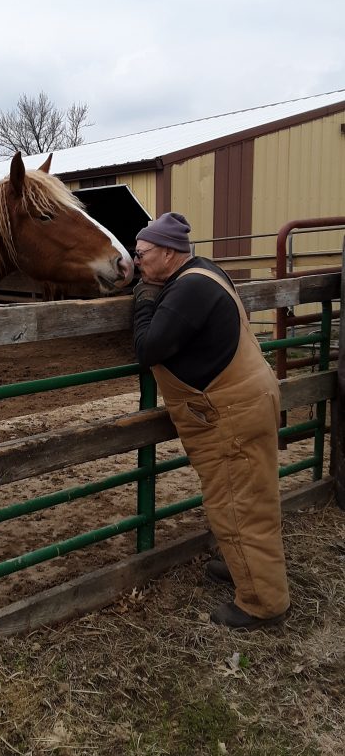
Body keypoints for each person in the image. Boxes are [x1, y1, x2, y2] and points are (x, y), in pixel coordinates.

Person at [132, 211, 290, 630]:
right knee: (251, 494)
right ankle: (243, 567)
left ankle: (262, 604)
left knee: (238, 503)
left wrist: (144, 300)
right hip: (246, 400)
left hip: (230, 412)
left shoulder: (188, 290)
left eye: (142, 253)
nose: (137, 261)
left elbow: (149, 348)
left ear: (168, 253)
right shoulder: (204, 272)